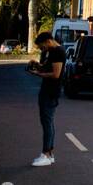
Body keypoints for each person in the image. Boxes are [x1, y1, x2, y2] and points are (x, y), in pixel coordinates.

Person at [26, 32, 65, 167]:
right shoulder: (52, 52)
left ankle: (46, 154)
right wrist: (37, 65)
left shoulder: (57, 52)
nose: (43, 48)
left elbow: (56, 74)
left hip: (50, 92)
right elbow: (48, 67)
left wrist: (39, 74)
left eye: (42, 46)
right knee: (48, 122)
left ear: (48, 41)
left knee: (47, 123)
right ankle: (50, 154)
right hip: (48, 91)